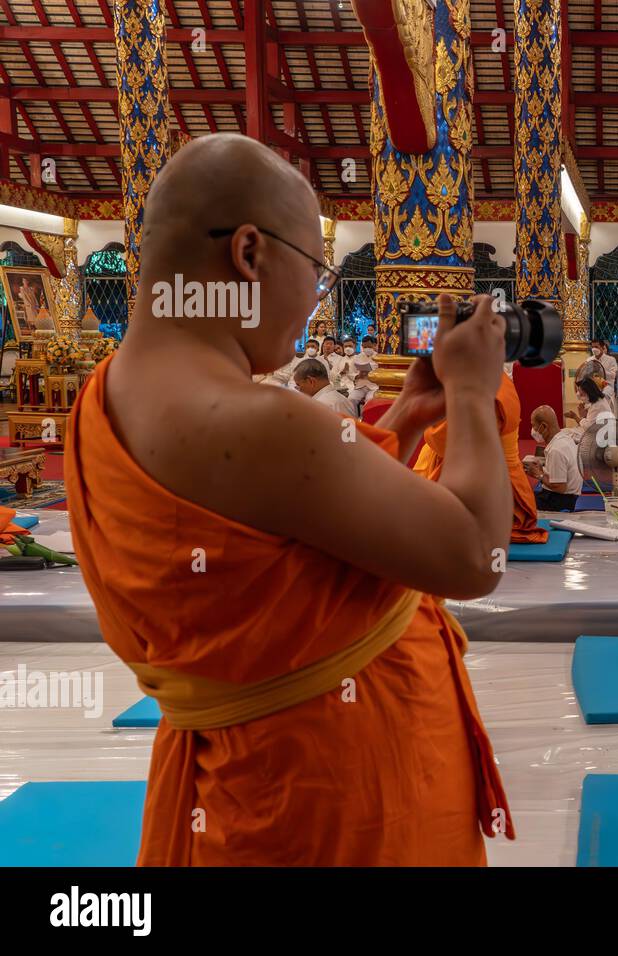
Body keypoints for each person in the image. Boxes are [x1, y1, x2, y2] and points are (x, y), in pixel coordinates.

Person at [62, 133, 512, 865]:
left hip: (246, 781)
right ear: (250, 253)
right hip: (330, 795)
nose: (314, 298)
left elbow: (284, 513)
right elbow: (475, 553)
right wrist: (469, 390)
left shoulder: (105, 396)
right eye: (317, 270)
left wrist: (399, 421)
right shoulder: (260, 419)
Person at [413, 371, 547, 544]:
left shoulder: (487, 394)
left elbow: (441, 440)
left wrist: (427, 422)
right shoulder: (498, 381)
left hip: (490, 487)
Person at [527, 405, 583, 512]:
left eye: (534, 426)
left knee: (518, 500)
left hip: (559, 501)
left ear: (543, 426)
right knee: (523, 494)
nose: (533, 430)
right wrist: (541, 469)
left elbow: (560, 487)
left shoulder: (556, 449)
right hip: (565, 496)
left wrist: (538, 474)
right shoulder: (565, 438)